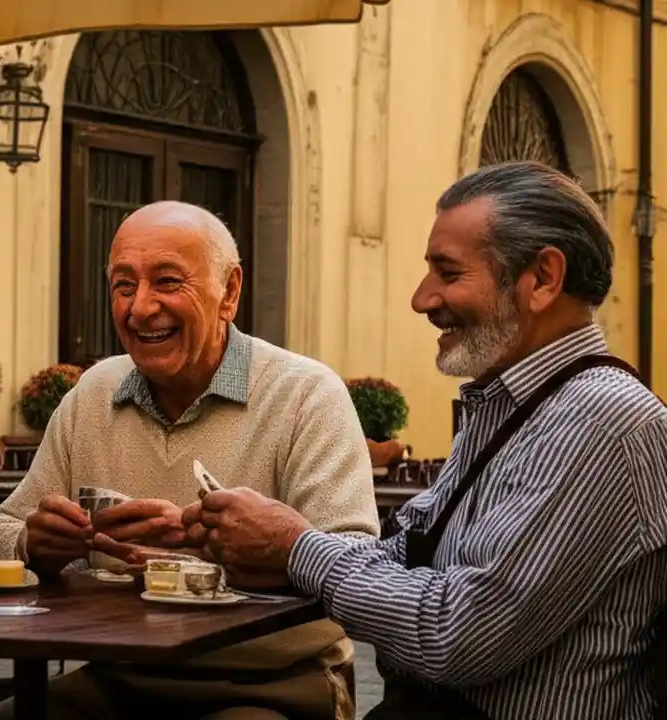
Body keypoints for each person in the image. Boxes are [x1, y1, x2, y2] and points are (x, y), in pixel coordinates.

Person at [183, 161, 667, 720]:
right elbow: (407, 555)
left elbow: (459, 634)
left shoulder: (601, 420)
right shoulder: (511, 404)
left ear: (543, 279)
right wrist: (234, 539)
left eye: (448, 272)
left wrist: (294, 546)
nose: (422, 298)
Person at [0, 200, 380, 720]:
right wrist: (36, 543)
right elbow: (1, 531)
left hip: (267, 686)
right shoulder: (93, 394)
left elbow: (354, 562)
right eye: (124, 285)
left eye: (167, 282)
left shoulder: (304, 394)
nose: (140, 307)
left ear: (229, 292)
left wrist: (220, 553)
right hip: (117, 679)